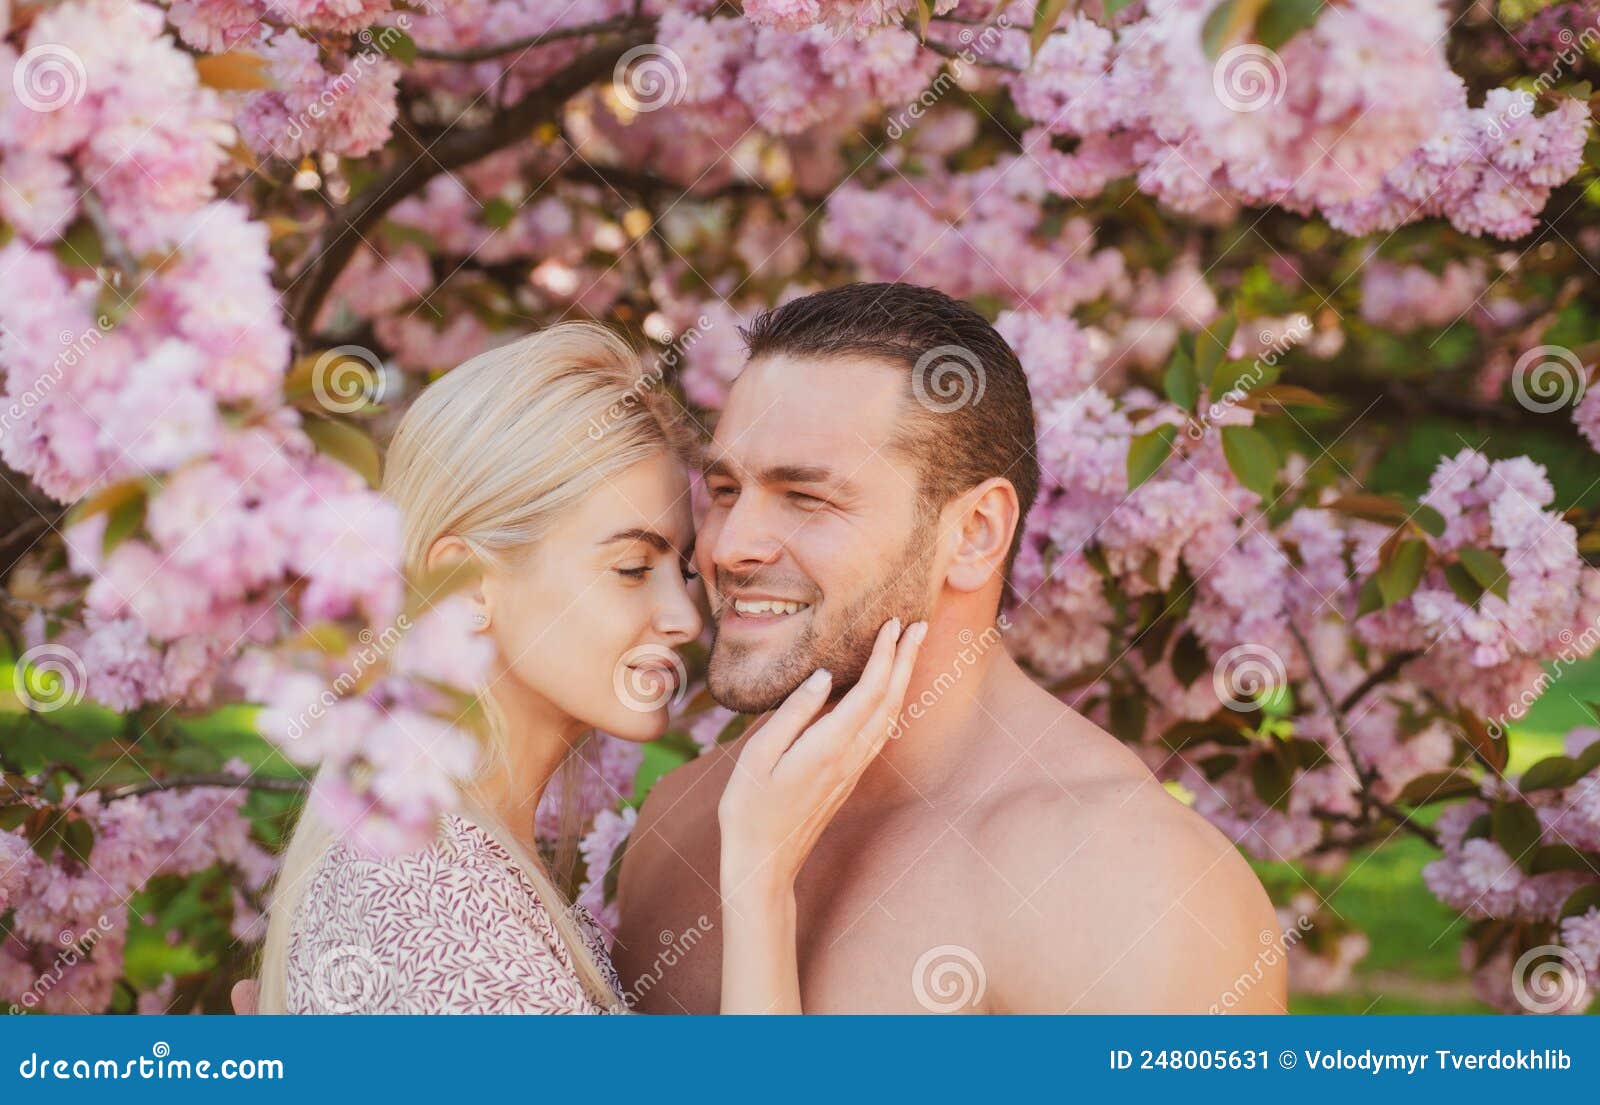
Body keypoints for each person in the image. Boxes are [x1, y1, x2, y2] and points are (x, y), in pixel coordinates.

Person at [612, 283, 1286, 1013]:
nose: (729, 546)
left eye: (806, 498)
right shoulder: (684, 820)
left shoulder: (1133, 885)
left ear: (975, 533)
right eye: (723, 489)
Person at [241, 321, 924, 1014]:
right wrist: (758, 877)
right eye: (632, 567)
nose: (687, 618)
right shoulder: (440, 903)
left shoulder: (448, 857)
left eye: (682, 569)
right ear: (465, 584)